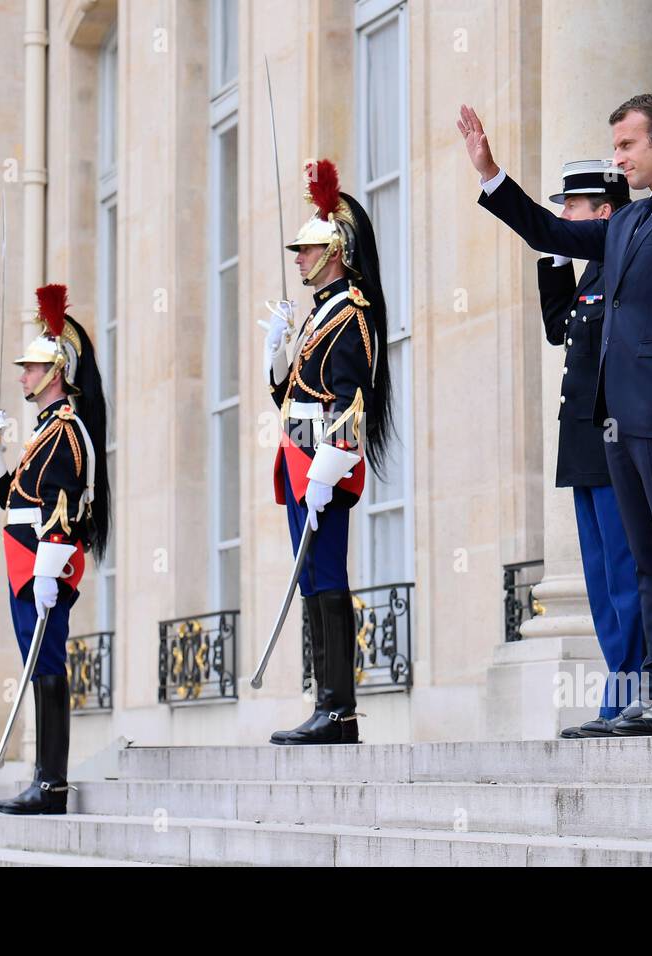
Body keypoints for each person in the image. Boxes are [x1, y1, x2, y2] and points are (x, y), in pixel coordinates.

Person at [458, 94, 652, 735]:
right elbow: (550, 233)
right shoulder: (626, 222)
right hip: (616, 420)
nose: (619, 159)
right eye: (615, 146)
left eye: (627, 146)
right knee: (646, 563)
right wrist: (490, 174)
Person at [265, 159, 394, 746]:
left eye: (307, 249)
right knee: (313, 580)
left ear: (335, 249)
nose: (298, 257)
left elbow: (351, 403)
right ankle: (325, 701)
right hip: (300, 456)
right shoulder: (322, 312)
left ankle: (338, 709)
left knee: (326, 578)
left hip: (323, 462)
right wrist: (278, 355)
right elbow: (291, 396)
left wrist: (327, 470)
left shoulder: (352, 313)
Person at [527, 160, 647, 737]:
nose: (562, 216)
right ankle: (617, 691)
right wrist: (551, 253)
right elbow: (558, 328)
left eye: (570, 208)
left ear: (604, 212)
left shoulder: (621, 268)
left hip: (612, 438)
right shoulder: (591, 272)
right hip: (581, 440)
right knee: (600, 577)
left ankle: (631, 692)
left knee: (625, 572)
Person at [0, 284, 110, 811]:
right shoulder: (43, 432)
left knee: (47, 663)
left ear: (55, 372)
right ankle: (45, 778)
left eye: (31, 368)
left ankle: (51, 782)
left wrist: (51, 570)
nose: (23, 376)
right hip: (28, 563)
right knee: (40, 665)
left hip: (42, 566)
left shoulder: (66, 432)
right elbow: (15, 500)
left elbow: (63, 506)